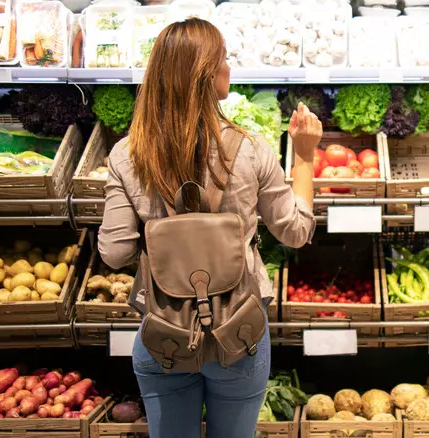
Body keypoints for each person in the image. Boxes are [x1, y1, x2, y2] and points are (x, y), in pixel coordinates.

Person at [97, 18, 321, 438]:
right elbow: (295, 231)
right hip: (239, 335)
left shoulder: (127, 155)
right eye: (223, 60)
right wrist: (305, 157)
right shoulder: (252, 148)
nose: (229, 69)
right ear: (206, 76)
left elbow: (114, 252)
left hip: (164, 335)